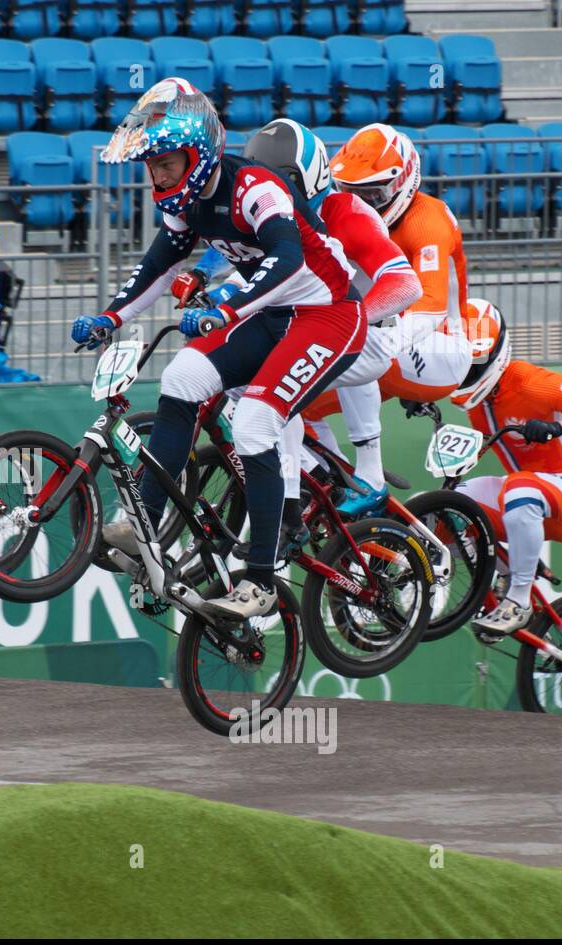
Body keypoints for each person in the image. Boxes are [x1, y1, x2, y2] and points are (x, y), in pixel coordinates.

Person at [74, 79, 365, 618]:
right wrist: (110, 317)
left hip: (329, 314)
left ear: (200, 153)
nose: (158, 176)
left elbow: (289, 259)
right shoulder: (186, 204)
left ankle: (260, 581)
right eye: (152, 165)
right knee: (181, 378)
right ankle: (145, 525)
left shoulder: (256, 187)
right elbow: (158, 265)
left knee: (255, 419)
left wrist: (228, 309)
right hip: (275, 314)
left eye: (167, 163)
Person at [174, 118, 422, 545]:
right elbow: (245, 259)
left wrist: (350, 315)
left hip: (363, 335)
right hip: (303, 324)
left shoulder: (347, 214)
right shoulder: (273, 209)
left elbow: (406, 283)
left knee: (265, 386)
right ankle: (314, 464)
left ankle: (295, 506)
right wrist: (205, 280)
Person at [295, 123, 475, 515]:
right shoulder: (349, 216)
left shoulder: (428, 221)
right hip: (394, 340)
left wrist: (362, 331)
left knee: (349, 342)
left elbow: (429, 305)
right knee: (295, 398)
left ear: (404, 182)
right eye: (353, 192)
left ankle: (369, 478)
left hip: (439, 344)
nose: (363, 202)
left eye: (373, 194)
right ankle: (331, 483)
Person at [449, 322, 562, 634]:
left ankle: (518, 600)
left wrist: (561, 427)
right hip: (527, 495)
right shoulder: (478, 401)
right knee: (456, 501)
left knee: (520, 486)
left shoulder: (530, 382)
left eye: (472, 365)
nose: (463, 372)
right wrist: (417, 396)